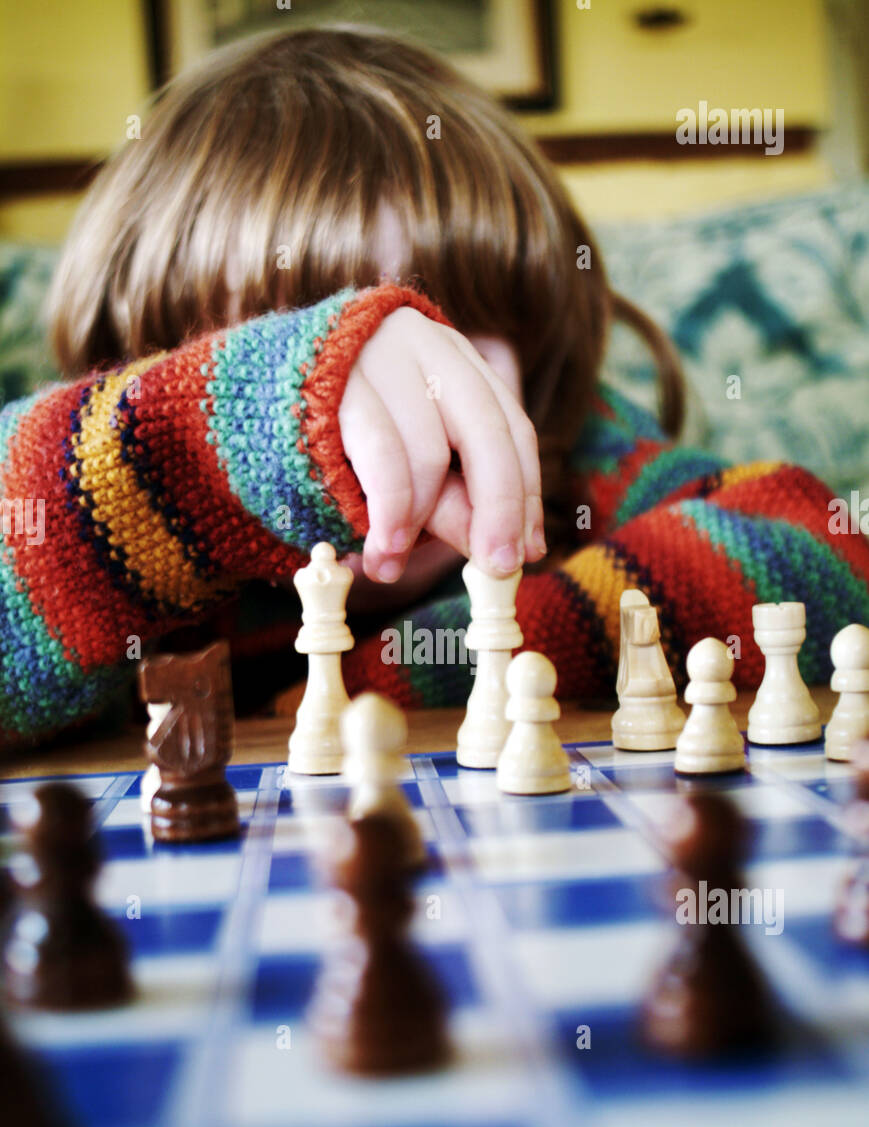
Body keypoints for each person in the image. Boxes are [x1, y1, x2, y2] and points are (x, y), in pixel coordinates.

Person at [1, 25, 866, 749]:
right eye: (294, 340)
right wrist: (189, 464)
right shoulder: (124, 543)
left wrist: (443, 665)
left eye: (449, 330)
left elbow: (830, 568)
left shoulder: (573, 461)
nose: (407, 406)